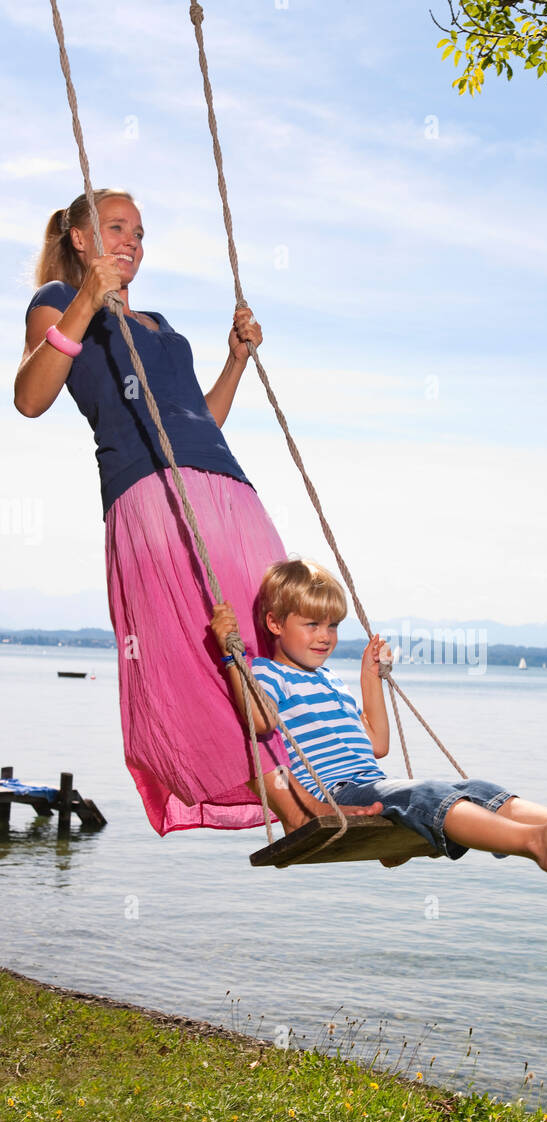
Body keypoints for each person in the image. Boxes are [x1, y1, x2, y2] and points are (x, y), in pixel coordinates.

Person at [14, 189, 382, 837]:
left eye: (139, 232)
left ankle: (323, 793)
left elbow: (195, 418)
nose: (132, 241)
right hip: (149, 493)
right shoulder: (56, 302)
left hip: (226, 485)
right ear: (80, 239)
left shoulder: (160, 322)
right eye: (117, 228)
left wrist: (235, 362)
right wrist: (82, 303)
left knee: (271, 637)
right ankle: (286, 806)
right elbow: (29, 396)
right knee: (201, 649)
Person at [210, 558, 547, 872]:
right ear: (274, 624)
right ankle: (534, 842)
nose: (325, 636)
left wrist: (370, 678)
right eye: (312, 624)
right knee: (425, 793)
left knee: (476, 788)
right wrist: (234, 658)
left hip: (368, 777)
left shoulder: (329, 680)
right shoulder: (268, 675)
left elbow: (376, 744)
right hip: (334, 794)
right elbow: (261, 722)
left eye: (332, 625)